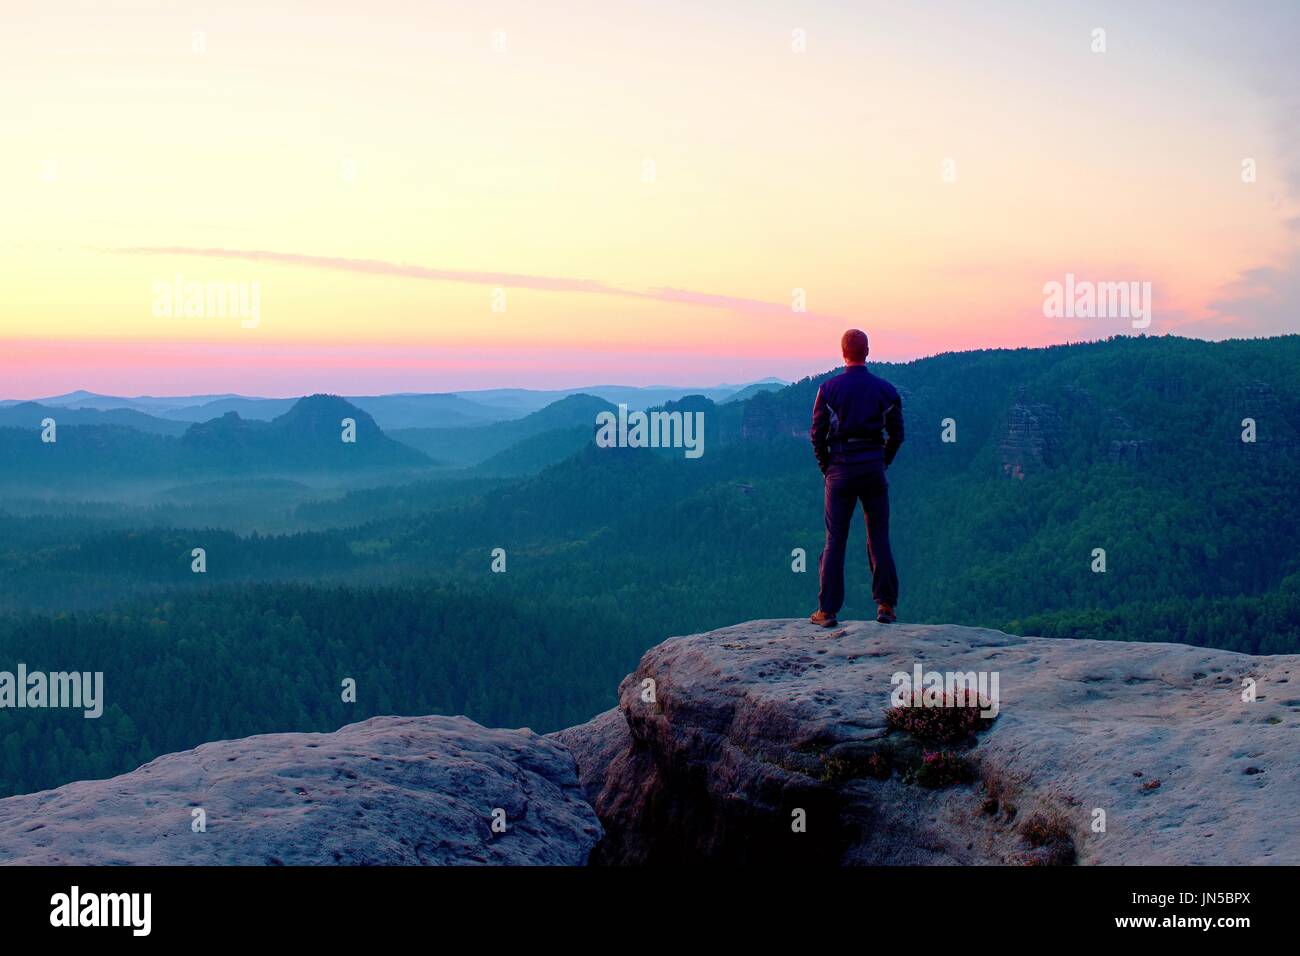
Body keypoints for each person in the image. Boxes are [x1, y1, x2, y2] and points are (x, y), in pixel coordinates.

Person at [808, 329, 904, 626]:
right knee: (878, 537)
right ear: (867, 351)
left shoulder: (828, 389)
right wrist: (882, 461)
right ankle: (885, 606)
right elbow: (897, 435)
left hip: (840, 469)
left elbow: (816, 435)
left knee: (835, 539)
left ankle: (827, 611)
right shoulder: (885, 390)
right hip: (873, 468)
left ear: (843, 352)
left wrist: (828, 468)